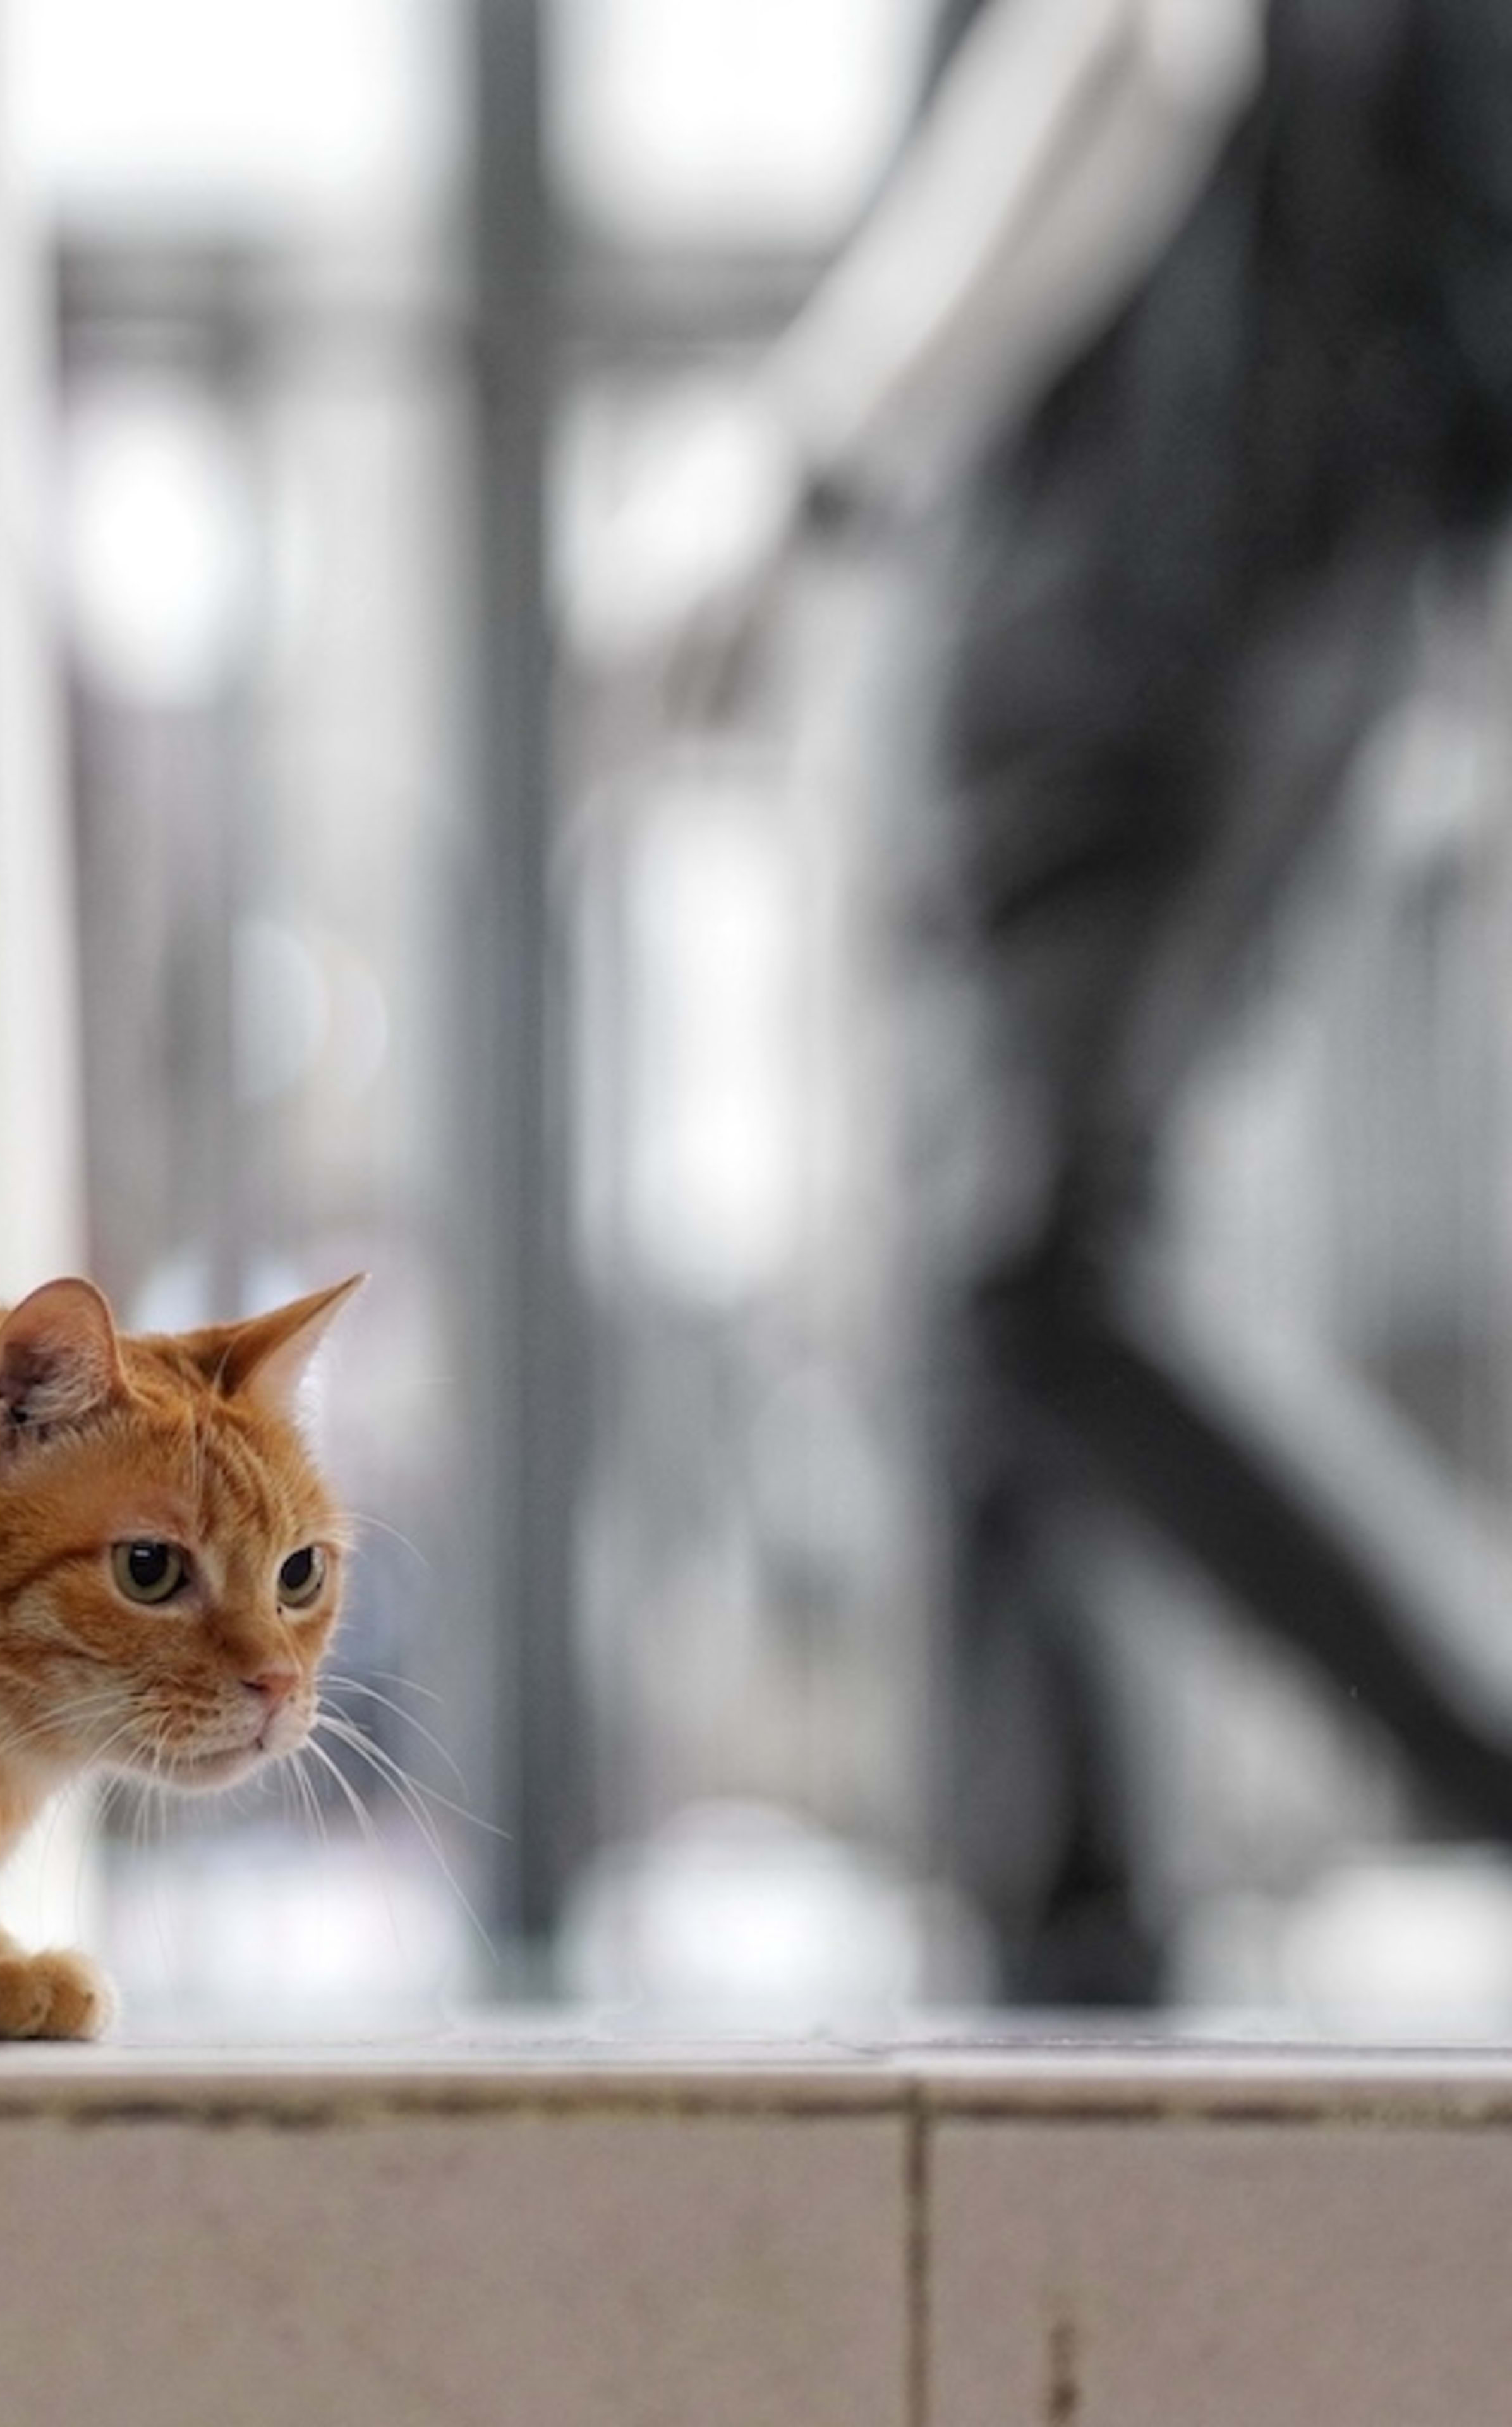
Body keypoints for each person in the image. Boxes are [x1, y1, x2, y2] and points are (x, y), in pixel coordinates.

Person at [585, 0, 1512, 2000]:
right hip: (1186, 552)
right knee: (986, 1321)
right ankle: (1070, 1988)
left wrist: (803, 463)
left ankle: (1416, 1783)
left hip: (1174, 565)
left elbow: (1132, 43)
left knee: (1030, 1258)